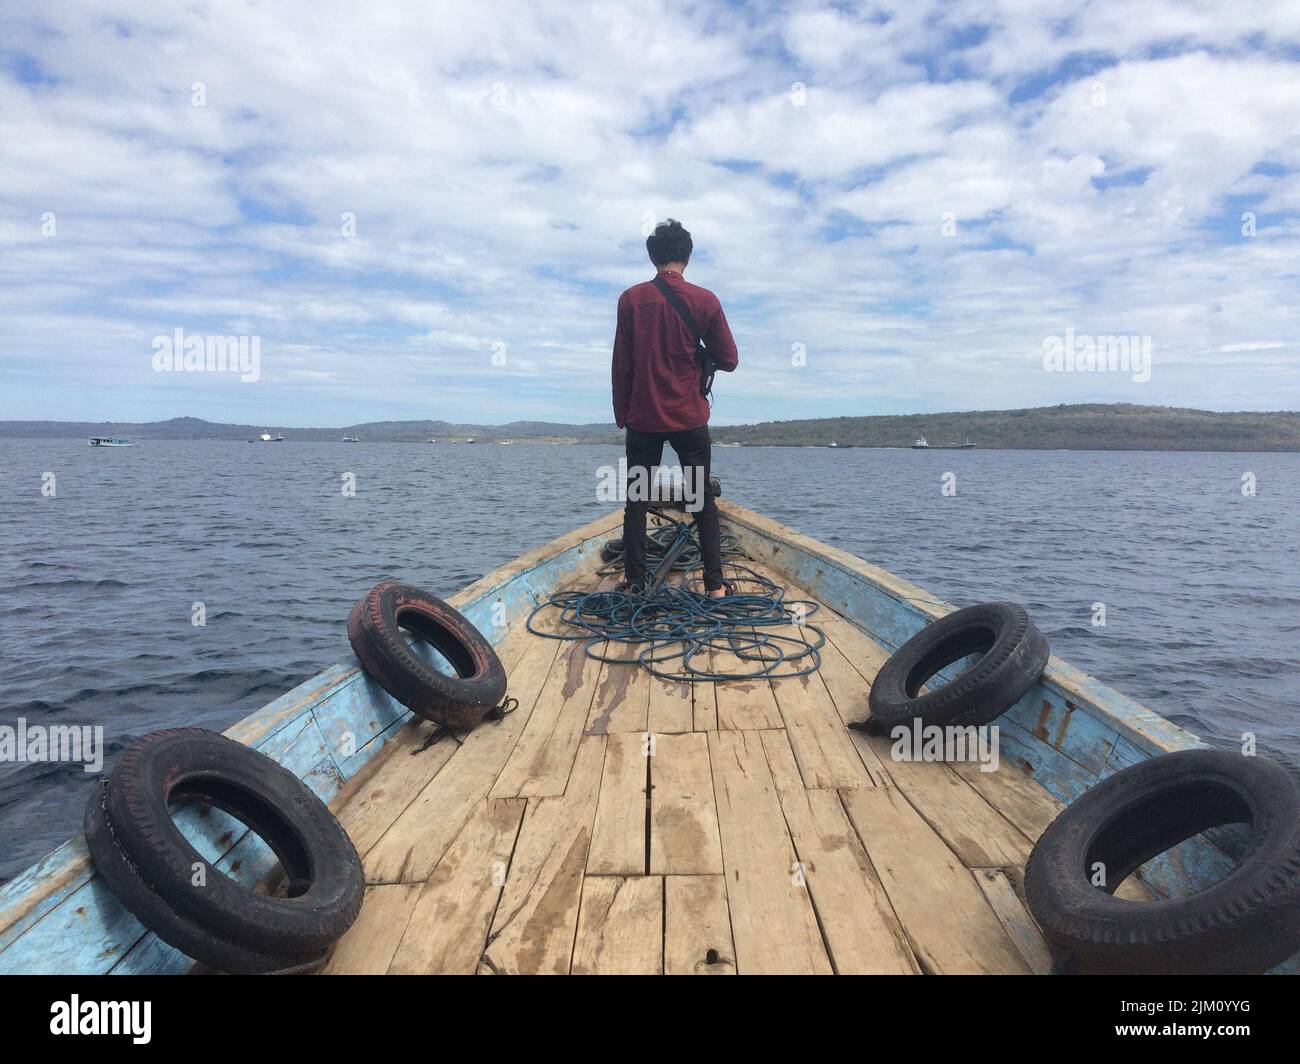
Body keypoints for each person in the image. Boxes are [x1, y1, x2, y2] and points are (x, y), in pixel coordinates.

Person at [611, 219, 739, 598]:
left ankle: (635, 585)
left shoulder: (630, 299)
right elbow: (729, 359)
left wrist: (623, 414)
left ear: (653, 257)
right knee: (701, 501)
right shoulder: (705, 300)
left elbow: (622, 365)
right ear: (687, 256)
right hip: (689, 418)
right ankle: (715, 587)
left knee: (636, 500)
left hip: (643, 418)